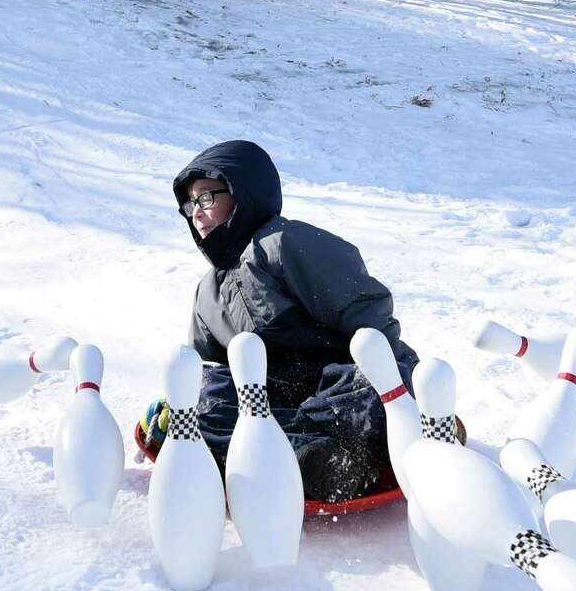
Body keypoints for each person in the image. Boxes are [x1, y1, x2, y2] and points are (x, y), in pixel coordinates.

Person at [142, 139, 422, 502]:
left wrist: (395, 387)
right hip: (268, 404)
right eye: (190, 203)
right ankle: (312, 461)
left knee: (377, 385)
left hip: (334, 384)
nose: (196, 212)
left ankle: (384, 436)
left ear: (244, 193)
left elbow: (368, 315)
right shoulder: (207, 293)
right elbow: (208, 370)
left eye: (206, 197)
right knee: (199, 397)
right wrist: (182, 404)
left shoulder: (284, 244)